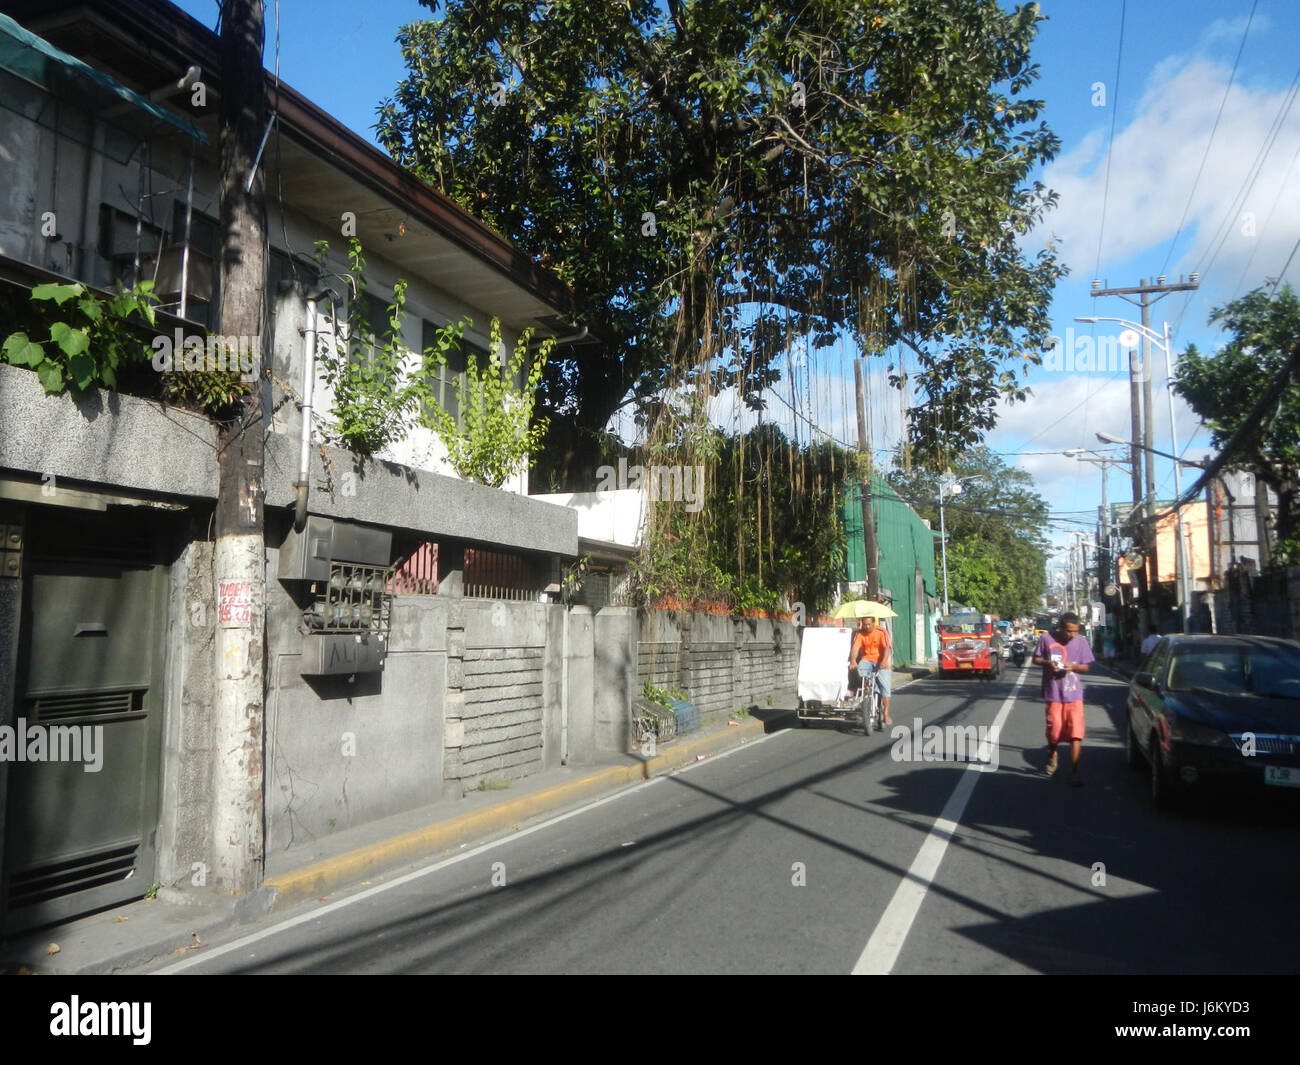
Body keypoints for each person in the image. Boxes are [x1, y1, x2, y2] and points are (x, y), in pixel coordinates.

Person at [1032, 611, 1094, 787]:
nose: (1072, 635)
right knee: (1055, 730)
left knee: (1076, 733)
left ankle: (1074, 771)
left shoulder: (1081, 641)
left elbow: (1086, 667)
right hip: (1054, 693)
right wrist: (1047, 663)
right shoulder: (1046, 639)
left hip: (1074, 695)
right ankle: (1052, 755)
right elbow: (1036, 659)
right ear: (1060, 628)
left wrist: (1072, 666)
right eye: (1068, 631)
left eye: (1075, 631)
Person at [849, 615, 893, 725]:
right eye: (865, 624)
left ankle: (886, 714)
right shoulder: (860, 633)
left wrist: (883, 661)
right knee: (861, 674)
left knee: (885, 689)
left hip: (881, 662)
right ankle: (867, 693)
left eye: (869, 624)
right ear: (862, 624)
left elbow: (887, 647)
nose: (867, 626)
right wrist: (853, 660)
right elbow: (855, 647)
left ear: (874, 623)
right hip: (867, 661)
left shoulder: (881, 631)